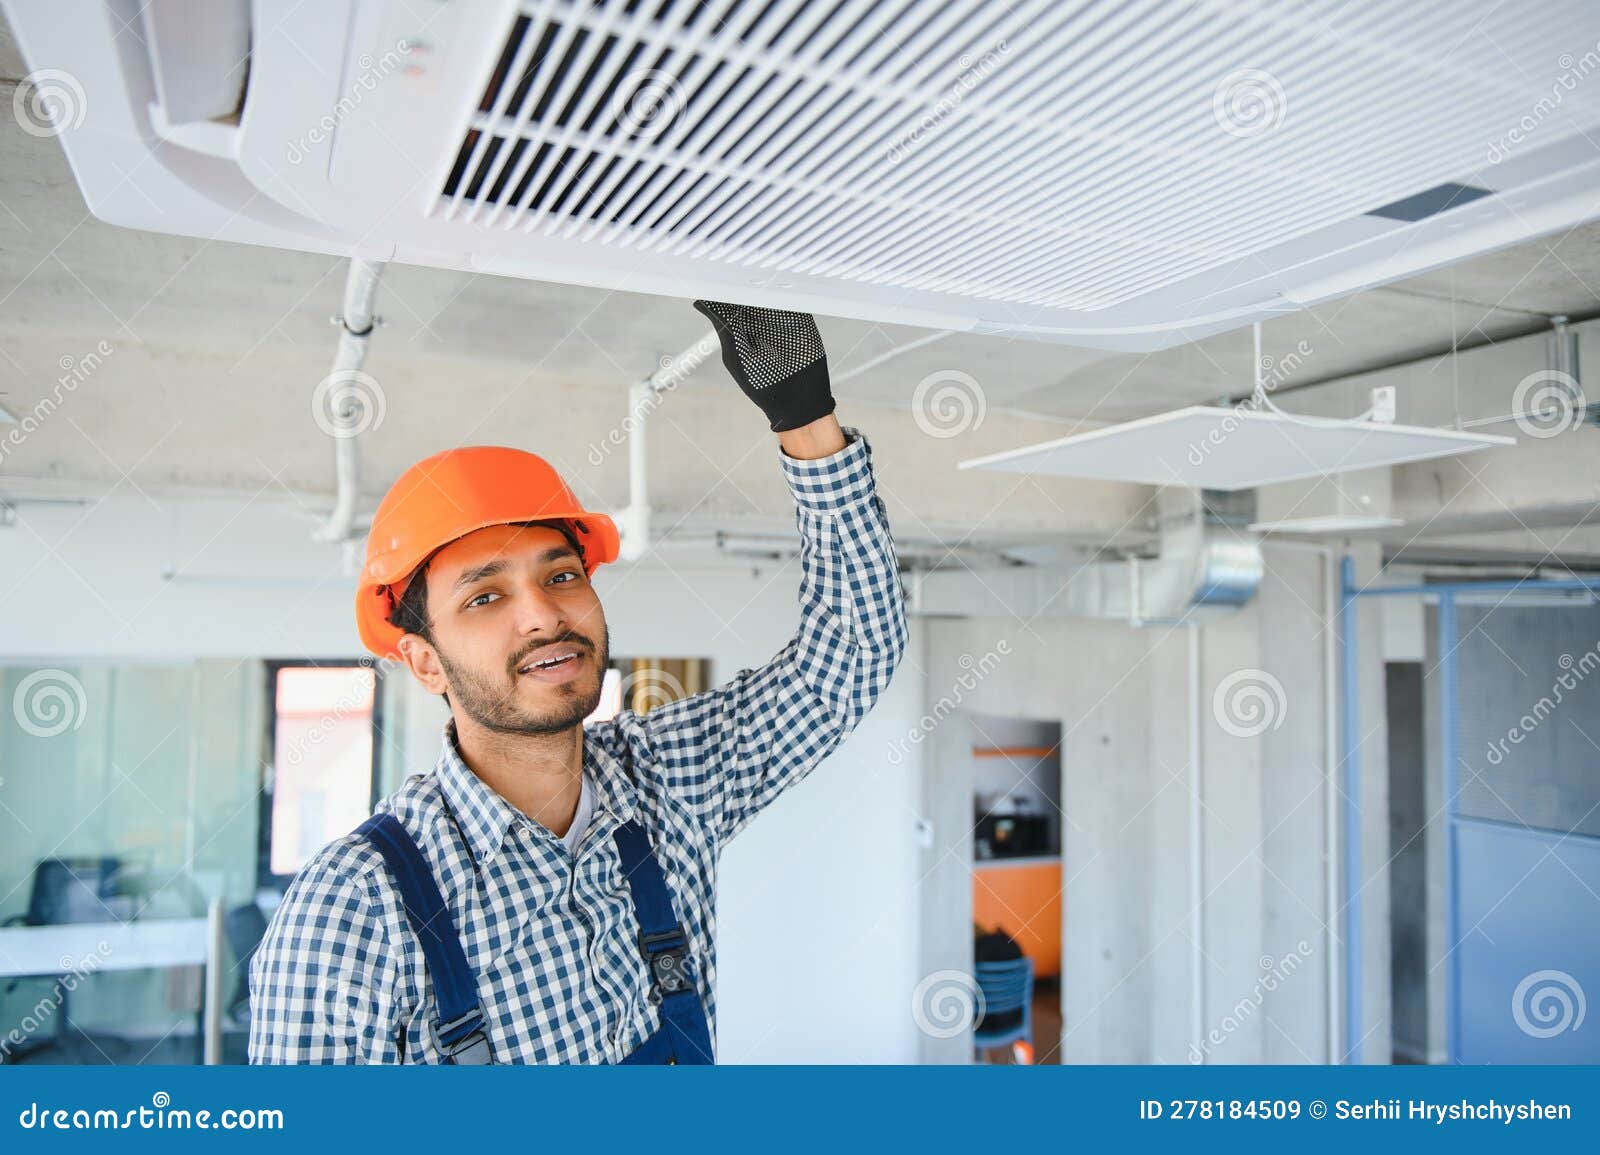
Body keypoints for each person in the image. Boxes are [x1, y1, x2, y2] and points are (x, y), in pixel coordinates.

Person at [248, 302, 908, 1064]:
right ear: (425, 660)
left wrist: (802, 412)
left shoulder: (668, 781)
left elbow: (850, 653)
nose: (543, 616)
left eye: (561, 575)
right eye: (485, 597)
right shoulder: (356, 912)